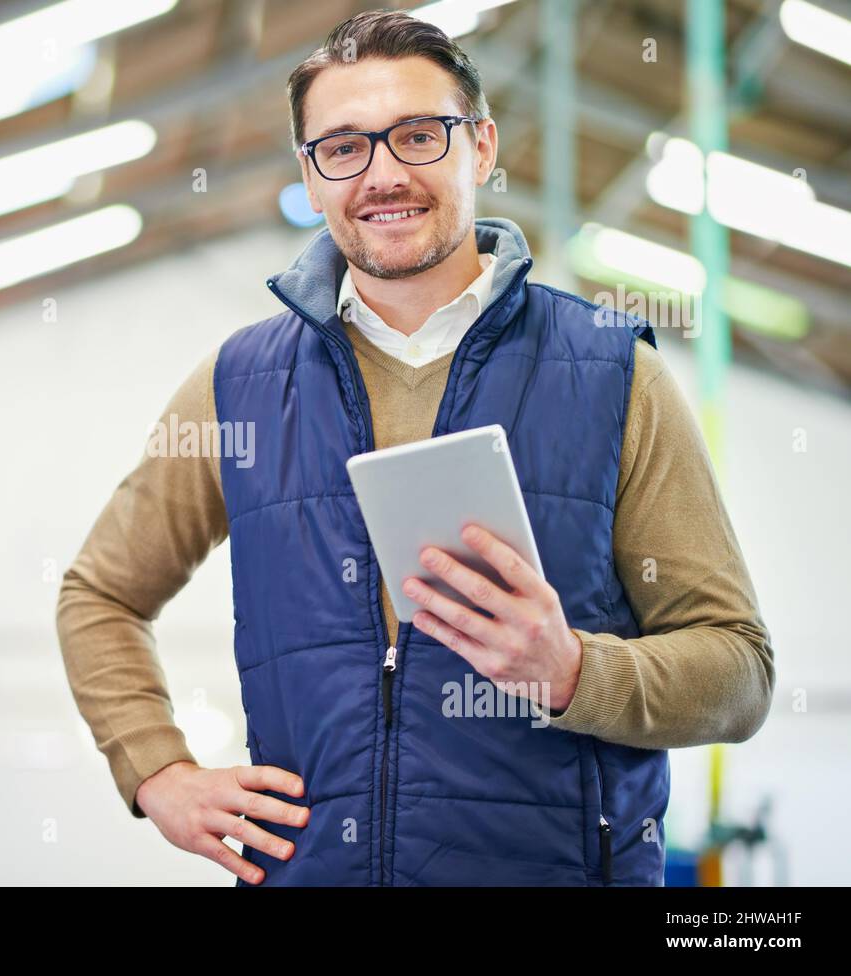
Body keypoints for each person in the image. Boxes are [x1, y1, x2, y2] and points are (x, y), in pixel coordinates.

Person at [55, 8, 774, 886]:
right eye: (344, 147)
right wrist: (156, 769)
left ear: (481, 147)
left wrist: (577, 671)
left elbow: (738, 669)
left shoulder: (615, 374)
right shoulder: (237, 385)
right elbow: (100, 595)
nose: (383, 174)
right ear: (311, 178)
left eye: (418, 135)